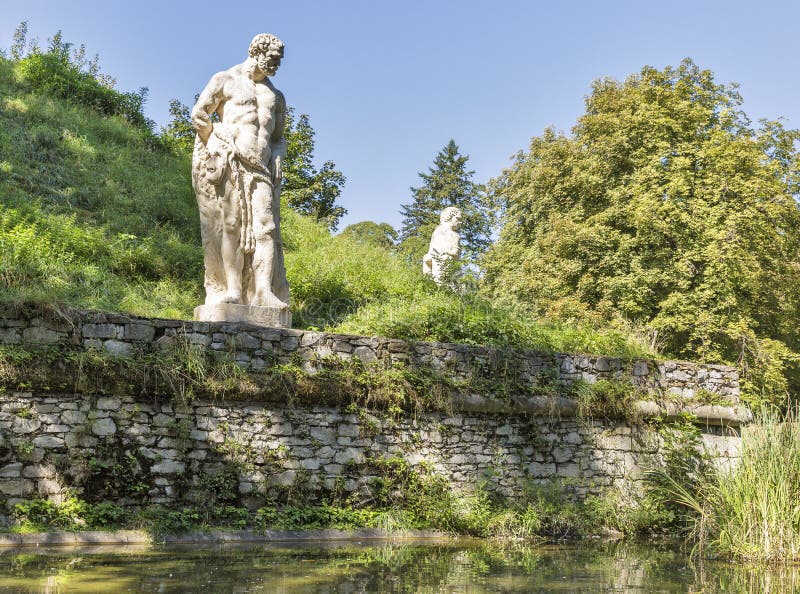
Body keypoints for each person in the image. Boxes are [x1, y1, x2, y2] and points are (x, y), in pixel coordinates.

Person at [191, 33, 290, 310]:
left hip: (261, 169)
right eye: (273, 58)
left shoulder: (275, 97)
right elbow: (199, 114)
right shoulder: (226, 79)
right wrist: (217, 142)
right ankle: (233, 289)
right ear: (258, 52)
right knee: (231, 224)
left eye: (279, 60)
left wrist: (279, 155)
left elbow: (278, 137)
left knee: (266, 228)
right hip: (232, 161)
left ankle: (263, 292)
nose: (277, 64)